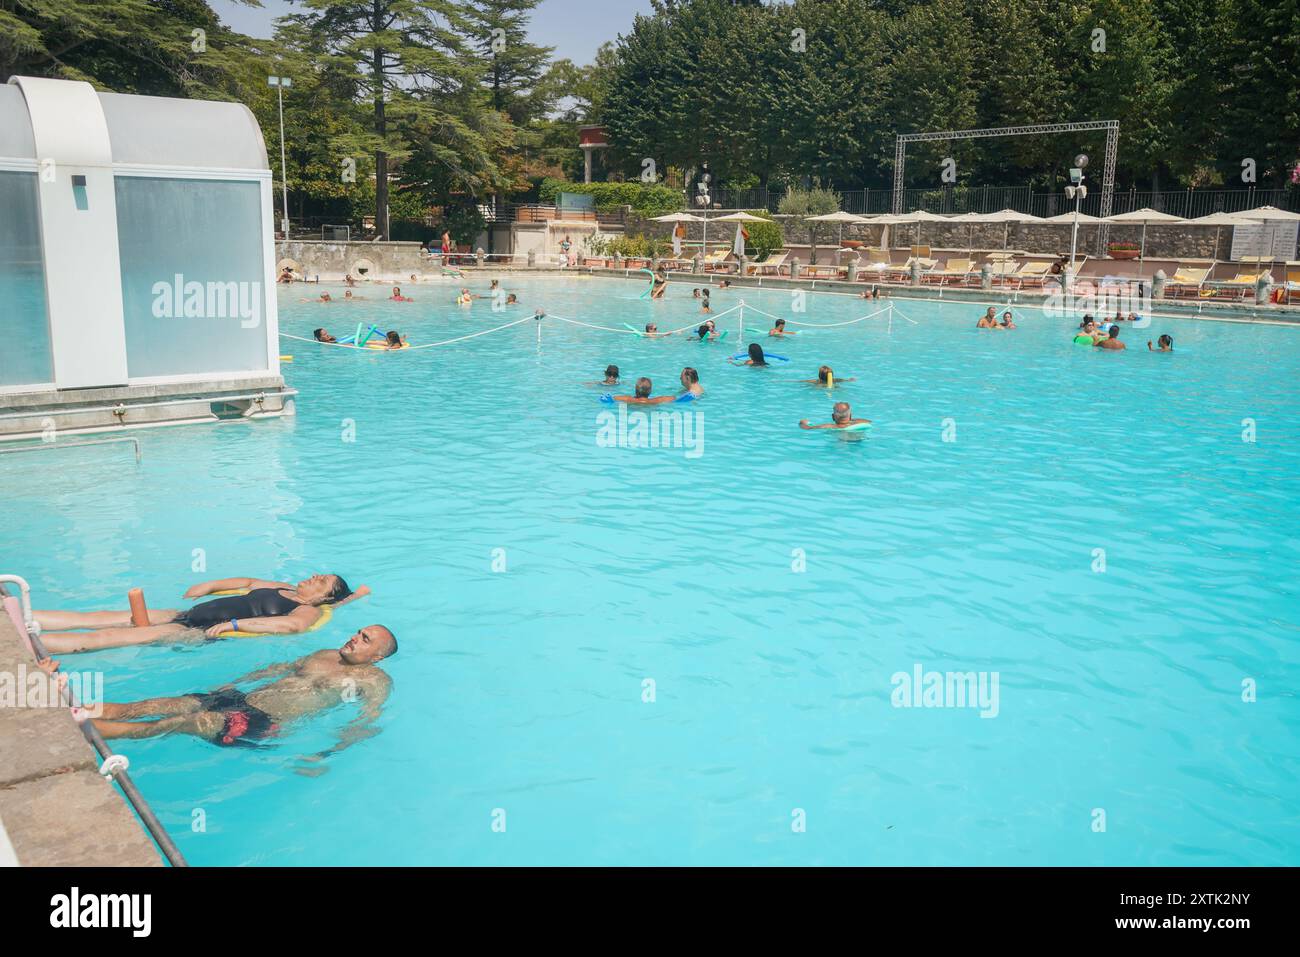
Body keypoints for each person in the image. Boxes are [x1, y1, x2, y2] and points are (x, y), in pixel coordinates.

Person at [47, 627, 397, 752]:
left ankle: (86, 731)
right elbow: (277, 669)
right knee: (156, 703)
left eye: (365, 639)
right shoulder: (325, 653)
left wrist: (327, 754)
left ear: (378, 656)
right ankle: (71, 712)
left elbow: (367, 721)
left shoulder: (374, 681)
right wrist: (234, 684)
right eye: (358, 632)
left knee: (177, 723)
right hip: (240, 698)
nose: (354, 637)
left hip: (264, 719)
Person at [34, 574, 367, 653]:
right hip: (185, 612)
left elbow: (292, 627)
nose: (313, 577)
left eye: (321, 581)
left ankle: (31, 646)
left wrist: (236, 624)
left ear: (323, 598)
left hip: (194, 630)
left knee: (110, 637)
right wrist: (208, 586)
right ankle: (19, 613)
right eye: (318, 573)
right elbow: (247, 581)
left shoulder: (304, 610)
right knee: (103, 616)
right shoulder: (281, 586)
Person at [800, 401, 872, 430]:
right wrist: (851, 419)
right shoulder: (860, 422)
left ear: (833, 417)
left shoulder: (829, 426)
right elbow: (869, 421)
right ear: (850, 416)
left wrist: (803, 422)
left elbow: (807, 428)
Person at [609, 376, 677, 405]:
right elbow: (673, 398)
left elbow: (612, 398)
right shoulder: (655, 401)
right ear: (650, 391)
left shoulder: (629, 399)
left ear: (636, 390)